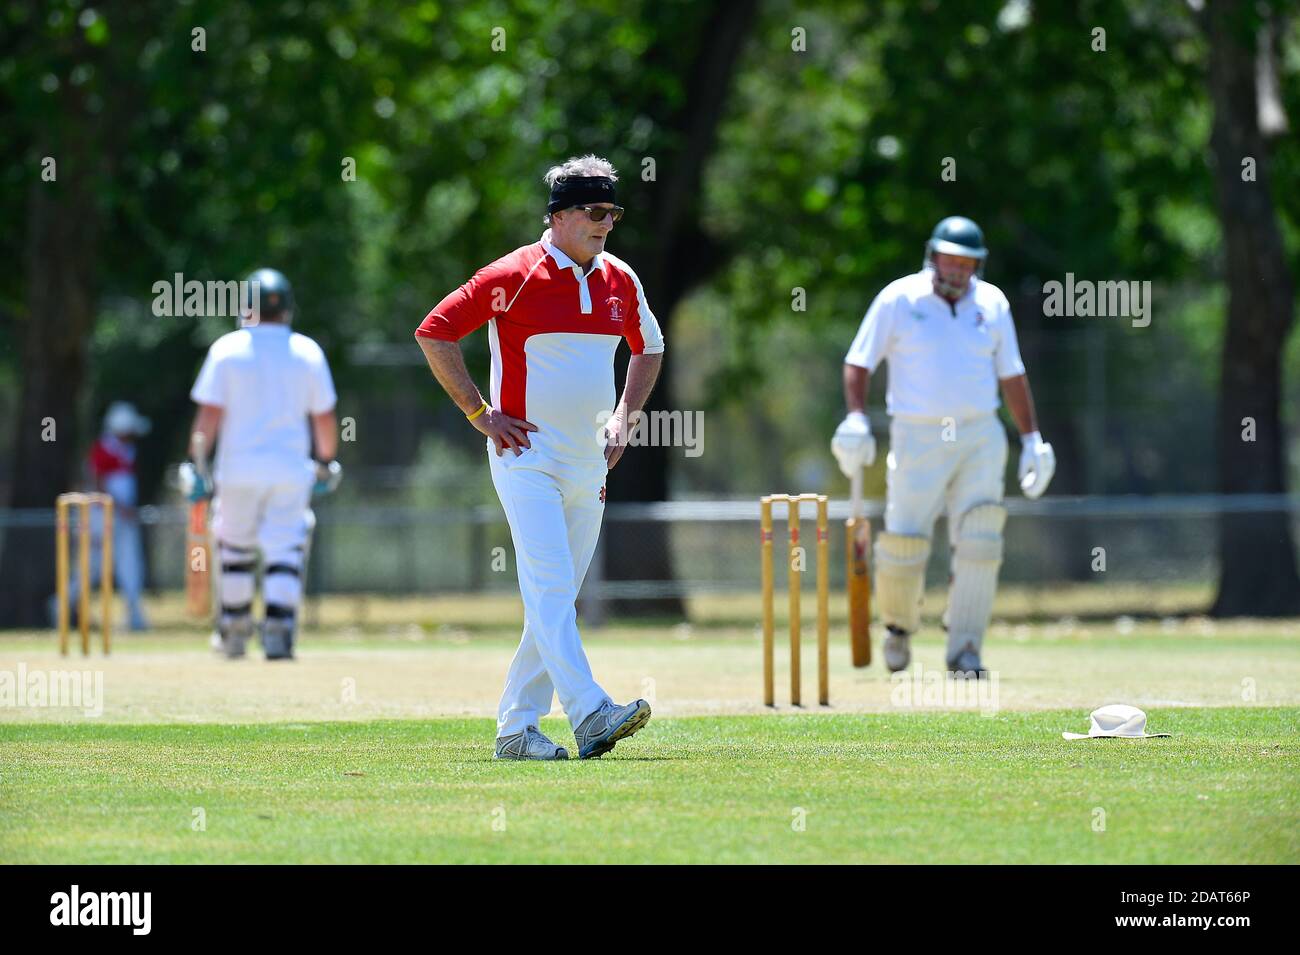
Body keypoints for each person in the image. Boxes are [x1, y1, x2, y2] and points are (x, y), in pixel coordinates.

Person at [415, 154, 663, 760]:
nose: (607, 224)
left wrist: (626, 417)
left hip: (590, 462)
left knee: (553, 600)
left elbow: (649, 348)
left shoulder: (620, 280)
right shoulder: (512, 275)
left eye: (614, 212)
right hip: (525, 456)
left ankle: (517, 730)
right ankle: (590, 713)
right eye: (595, 212)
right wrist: (480, 413)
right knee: (550, 590)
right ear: (558, 216)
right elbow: (435, 331)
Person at [831, 216, 1055, 677]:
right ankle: (897, 627)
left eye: (966, 263)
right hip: (917, 435)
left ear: (977, 266)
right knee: (904, 542)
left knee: (980, 538)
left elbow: (1011, 373)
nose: (957, 271)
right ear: (933, 258)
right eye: (949, 261)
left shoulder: (992, 303)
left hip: (979, 433)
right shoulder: (898, 298)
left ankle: (965, 650)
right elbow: (858, 362)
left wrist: (1032, 438)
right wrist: (856, 417)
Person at [184, 268, 341, 660]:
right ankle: (279, 627)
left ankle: (234, 629)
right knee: (285, 548)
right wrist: (325, 461)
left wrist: (197, 464)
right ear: (287, 310)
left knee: (234, 547)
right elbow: (323, 418)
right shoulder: (307, 351)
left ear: (246, 307)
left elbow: (208, 420)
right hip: (290, 470)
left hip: (236, 469)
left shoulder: (227, 349)